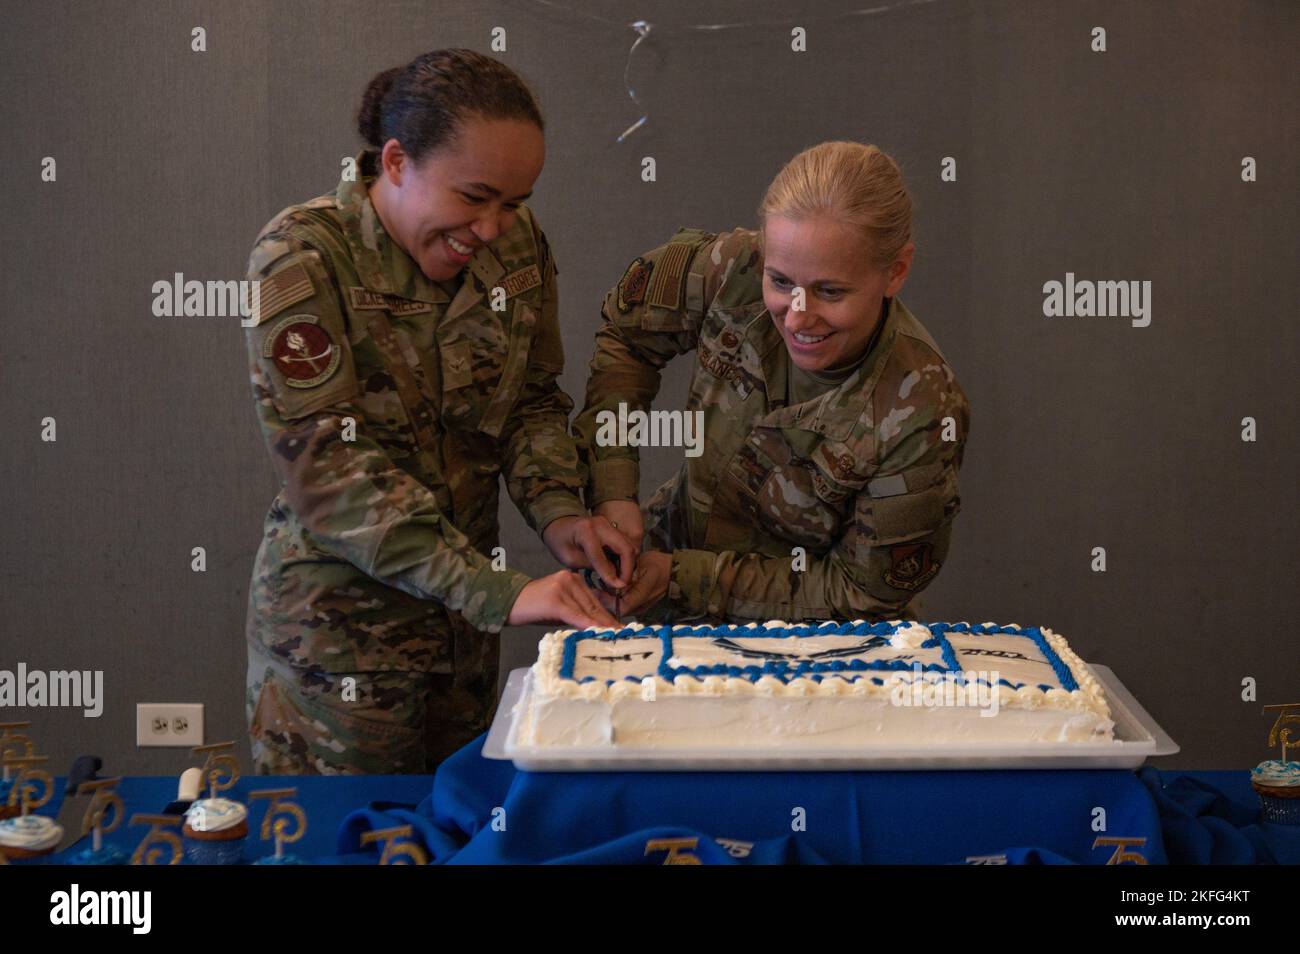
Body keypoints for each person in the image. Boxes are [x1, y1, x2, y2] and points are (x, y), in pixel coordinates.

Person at [242, 49, 632, 774]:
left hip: (464, 649)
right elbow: (329, 475)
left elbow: (531, 404)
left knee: (453, 846)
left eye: (514, 203)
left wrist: (560, 515)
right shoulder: (302, 258)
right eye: (474, 197)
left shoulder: (516, 250)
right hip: (338, 658)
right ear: (396, 162)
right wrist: (500, 591)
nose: (492, 228)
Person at [574, 141, 970, 624]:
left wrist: (685, 578)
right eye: (780, 282)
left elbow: (863, 592)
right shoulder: (731, 268)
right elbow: (626, 334)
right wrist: (614, 487)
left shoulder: (921, 409)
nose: (798, 316)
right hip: (665, 582)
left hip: (820, 645)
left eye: (830, 291)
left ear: (896, 271)